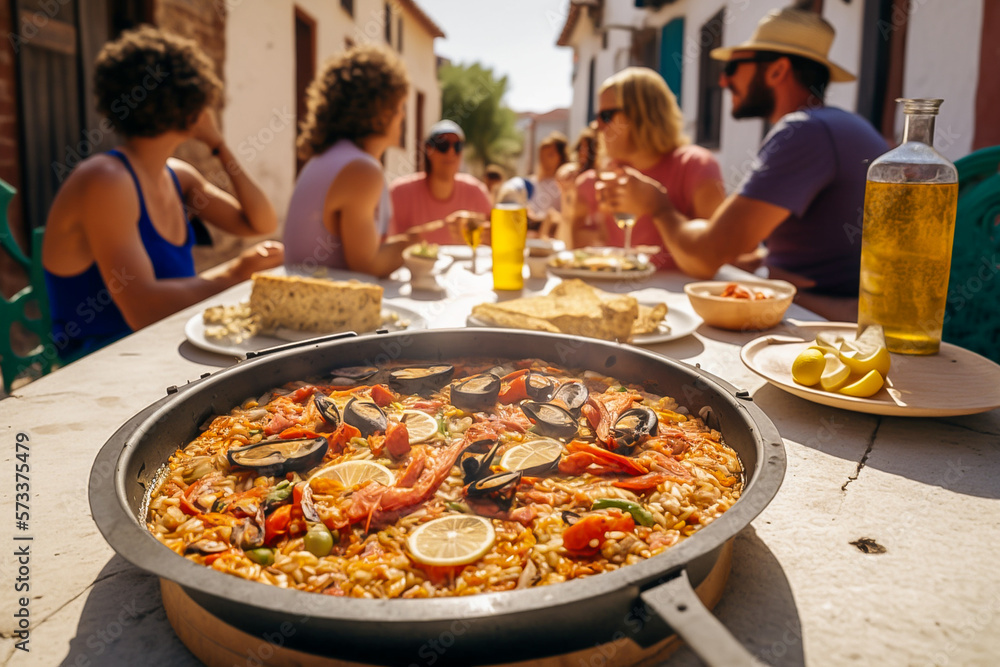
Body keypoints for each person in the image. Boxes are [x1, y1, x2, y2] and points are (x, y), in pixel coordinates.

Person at [605, 6, 888, 318]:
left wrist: (658, 206)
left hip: (827, 325)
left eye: (733, 67)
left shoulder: (804, 132)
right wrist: (766, 263)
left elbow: (706, 257)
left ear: (777, 70)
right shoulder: (834, 126)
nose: (723, 81)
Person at [42, 26, 282, 360]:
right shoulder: (106, 180)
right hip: (105, 361)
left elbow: (259, 221)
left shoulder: (178, 176)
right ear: (194, 108)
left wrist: (218, 146)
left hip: (168, 341)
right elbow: (142, 309)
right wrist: (235, 273)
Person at [285, 44, 432, 277]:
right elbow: (367, 266)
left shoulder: (330, 158)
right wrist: (415, 243)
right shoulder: (362, 170)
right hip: (325, 306)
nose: (404, 115)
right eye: (401, 106)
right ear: (382, 110)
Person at [573, 67, 725, 269]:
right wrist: (572, 213)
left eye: (606, 116)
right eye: (597, 116)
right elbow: (577, 256)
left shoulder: (696, 167)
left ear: (642, 115)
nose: (597, 126)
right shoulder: (598, 179)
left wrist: (658, 207)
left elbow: (715, 257)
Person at [389, 120, 492, 246]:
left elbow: (496, 236)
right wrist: (443, 228)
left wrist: (485, 232)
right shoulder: (400, 193)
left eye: (457, 146)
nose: (451, 152)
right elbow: (383, 246)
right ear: (428, 149)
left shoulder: (476, 191)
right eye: (443, 145)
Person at [527, 132, 569, 232]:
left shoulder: (567, 184)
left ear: (561, 156)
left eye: (550, 155)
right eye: (542, 155)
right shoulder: (531, 182)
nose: (544, 159)